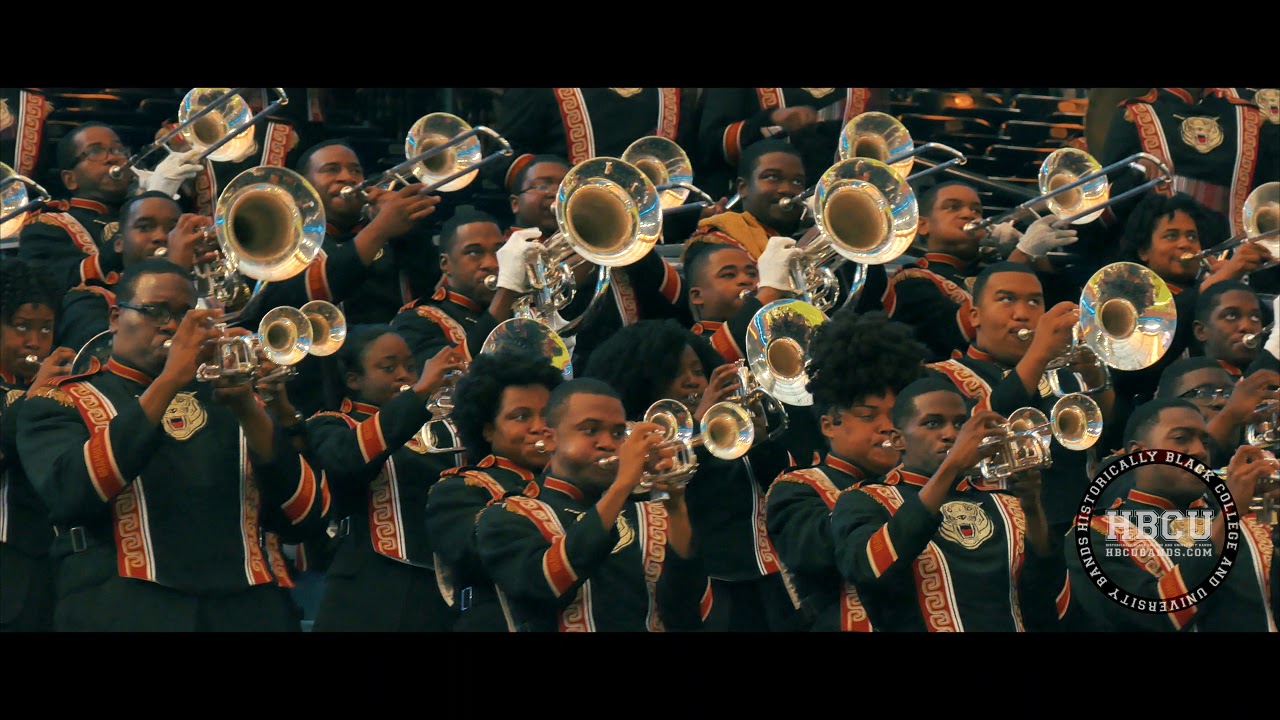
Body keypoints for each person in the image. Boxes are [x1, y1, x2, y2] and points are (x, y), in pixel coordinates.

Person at [17, 259, 331, 631]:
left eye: (185, 314)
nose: (171, 325)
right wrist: (171, 379)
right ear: (115, 318)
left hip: (248, 608)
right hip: (123, 606)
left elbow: (306, 517)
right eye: (155, 311)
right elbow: (70, 493)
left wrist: (249, 406)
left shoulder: (232, 398)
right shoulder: (62, 401)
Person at [585, 319, 796, 632]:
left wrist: (763, 441)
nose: (693, 382)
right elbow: (673, 488)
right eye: (674, 373)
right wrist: (698, 425)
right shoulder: (640, 442)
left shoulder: (730, 426)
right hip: (711, 589)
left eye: (697, 370)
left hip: (772, 581)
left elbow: (779, 486)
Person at [474, 378, 712, 632]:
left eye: (619, 434)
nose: (608, 443)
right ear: (550, 438)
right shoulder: (507, 514)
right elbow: (544, 585)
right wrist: (622, 485)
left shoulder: (650, 514)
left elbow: (685, 613)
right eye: (590, 430)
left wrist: (675, 507)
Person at [829, 379, 1063, 631]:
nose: (952, 434)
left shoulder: (1004, 501)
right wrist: (952, 466)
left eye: (960, 424)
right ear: (898, 440)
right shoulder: (865, 499)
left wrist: (1030, 505)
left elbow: (1045, 590)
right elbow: (869, 569)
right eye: (933, 423)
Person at [922, 261, 1118, 544]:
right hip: (997, 536)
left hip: (1080, 527)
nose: (1023, 314)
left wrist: (1096, 377)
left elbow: (1108, 432)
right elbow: (975, 438)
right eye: (1006, 299)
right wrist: (1038, 354)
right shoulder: (940, 376)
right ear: (974, 316)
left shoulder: (1065, 373)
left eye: (1035, 302)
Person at [765, 311, 927, 631]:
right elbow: (823, 553)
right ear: (830, 424)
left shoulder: (921, 478)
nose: (887, 428)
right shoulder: (796, 488)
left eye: (897, 416)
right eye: (868, 416)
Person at [1062, 398, 1278, 632]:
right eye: (1180, 438)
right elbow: (1151, 617)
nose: (1199, 451)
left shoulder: (1248, 519)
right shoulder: (1096, 535)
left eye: (1205, 442)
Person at [302, 325, 466, 632]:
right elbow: (346, 460)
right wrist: (418, 395)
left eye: (411, 367)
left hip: (436, 588)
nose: (404, 375)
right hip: (367, 587)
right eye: (388, 368)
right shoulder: (330, 424)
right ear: (354, 380)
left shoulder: (441, 425)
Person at [424, 349, 564, 631]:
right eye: (521, 417)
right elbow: (488, 552)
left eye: (549, 416)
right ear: (487, 430)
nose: (540, 427)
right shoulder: (457, 489)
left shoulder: (583, 482)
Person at [882, 181, 1076, 362]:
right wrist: (1022, 253)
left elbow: (1060, 306)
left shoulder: (991, 266)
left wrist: (1036, 257)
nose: (969, 214)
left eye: (977, 210)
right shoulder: (911, 280)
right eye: (953, 207)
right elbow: (957, 331)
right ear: (923, 225)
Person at [18, 122, 202, 295]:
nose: (113, 158)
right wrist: (154, 199)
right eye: (95, 151)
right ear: (70, 179)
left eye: (118, 150)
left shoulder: (160, 209)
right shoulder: (44, 228)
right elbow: (65, 283)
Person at [1100, 88, 1280, 247]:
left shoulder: (1251, 117)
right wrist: (1137, 173)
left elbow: (1270, 195)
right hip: (1159, 261)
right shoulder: (1133, 114)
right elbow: (1103, 210)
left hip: (1236, 256)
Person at [55, 191, 217, 354]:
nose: (161, 237)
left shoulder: (204, 289)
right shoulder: (88, 301)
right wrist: (175, 271)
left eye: (172, 229)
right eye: (145, 227)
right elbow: (102, 356)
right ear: (119, 243)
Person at [0, 261, 70, 631]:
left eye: (46, 328)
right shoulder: (37, 389)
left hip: (53, 558)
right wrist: (34, 395)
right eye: (21, 326)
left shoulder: (58, 390)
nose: (35, 341)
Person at [492, 88, 698, 197]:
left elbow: (685, 165)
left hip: (656, 234)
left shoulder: (672, 92)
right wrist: (548, 185)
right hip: (563, 231)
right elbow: (502, 155)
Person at [697, 88, 886, 200]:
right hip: (757, 217)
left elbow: (885, 144)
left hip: (844, 213)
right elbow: (708, 148)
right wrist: (769, 120)